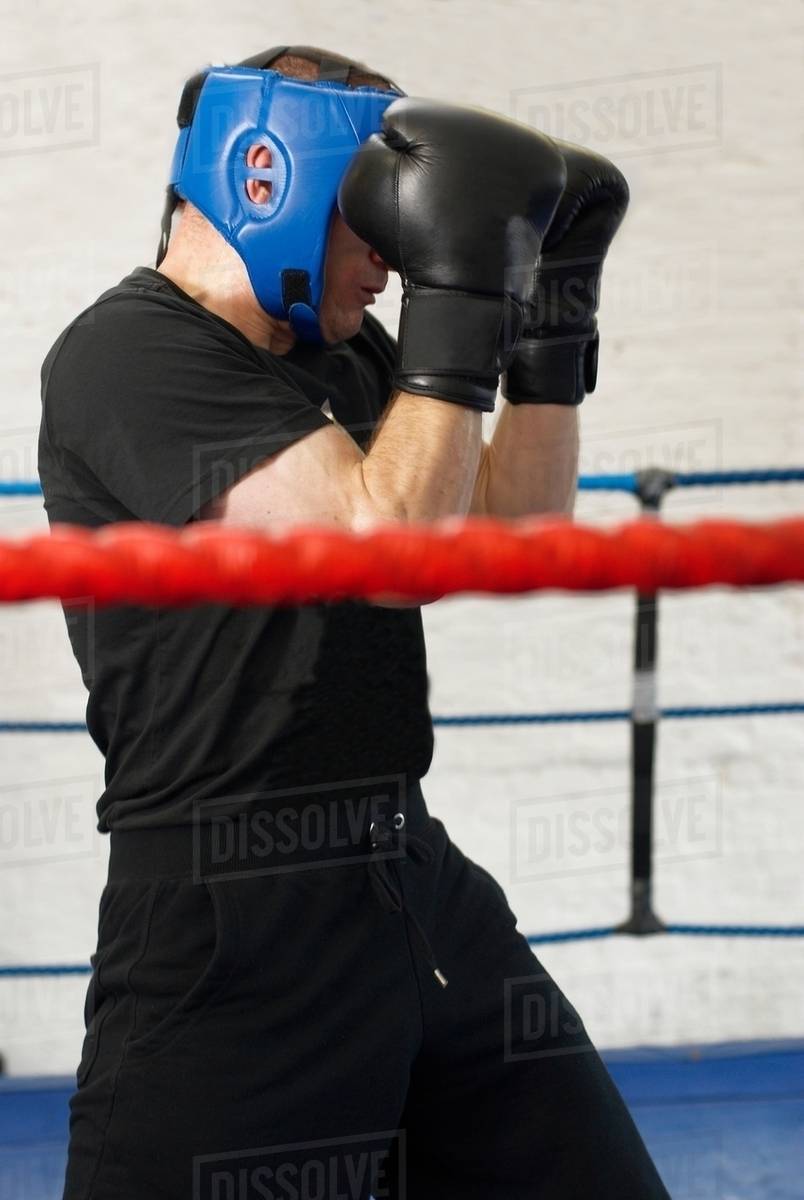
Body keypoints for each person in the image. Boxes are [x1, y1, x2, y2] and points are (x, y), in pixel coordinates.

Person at [38, 44, 669, 1200]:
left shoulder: (348, 353)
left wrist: (546, 326)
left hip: (412, 877)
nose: (391, 257)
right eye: (369, 217)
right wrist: (460, 294)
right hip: (234, 917)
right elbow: (385, 553)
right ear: (262, 176)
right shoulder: (128, 352)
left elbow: (510, 535)